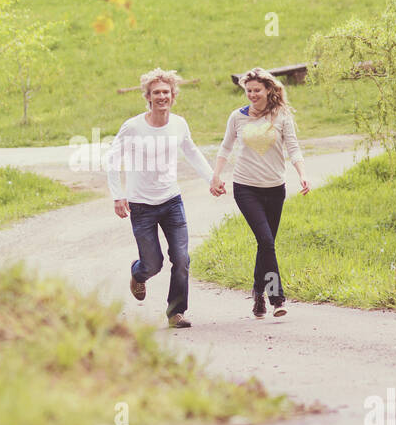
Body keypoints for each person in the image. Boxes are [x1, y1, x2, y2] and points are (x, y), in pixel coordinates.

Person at [105, 68, 223, 328]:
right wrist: (118, 195)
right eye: (156, 92)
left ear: (173, 95)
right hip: (141, 205)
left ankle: (175, 312)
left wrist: (211, 179)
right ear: (148, 96)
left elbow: (192, 153)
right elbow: (113, 159)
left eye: (166, 92)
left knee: (181, 258)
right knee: (153, 263)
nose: (161, 96)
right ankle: (138, 274)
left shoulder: (179, 124)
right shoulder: (133, 126)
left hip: (171, 201)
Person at [210, 67, 309, 319]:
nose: (252, 94)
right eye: (248, 90)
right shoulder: (237, 117)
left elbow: (294, 147)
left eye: (257, 90)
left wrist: (302, 174)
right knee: (266, 241)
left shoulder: (281, 115)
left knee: (266, 245)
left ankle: (257, 292)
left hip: (275, 189)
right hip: (246, 188)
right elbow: (225, 147)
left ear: (268, 90)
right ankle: (276, 299)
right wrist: (216, 175)